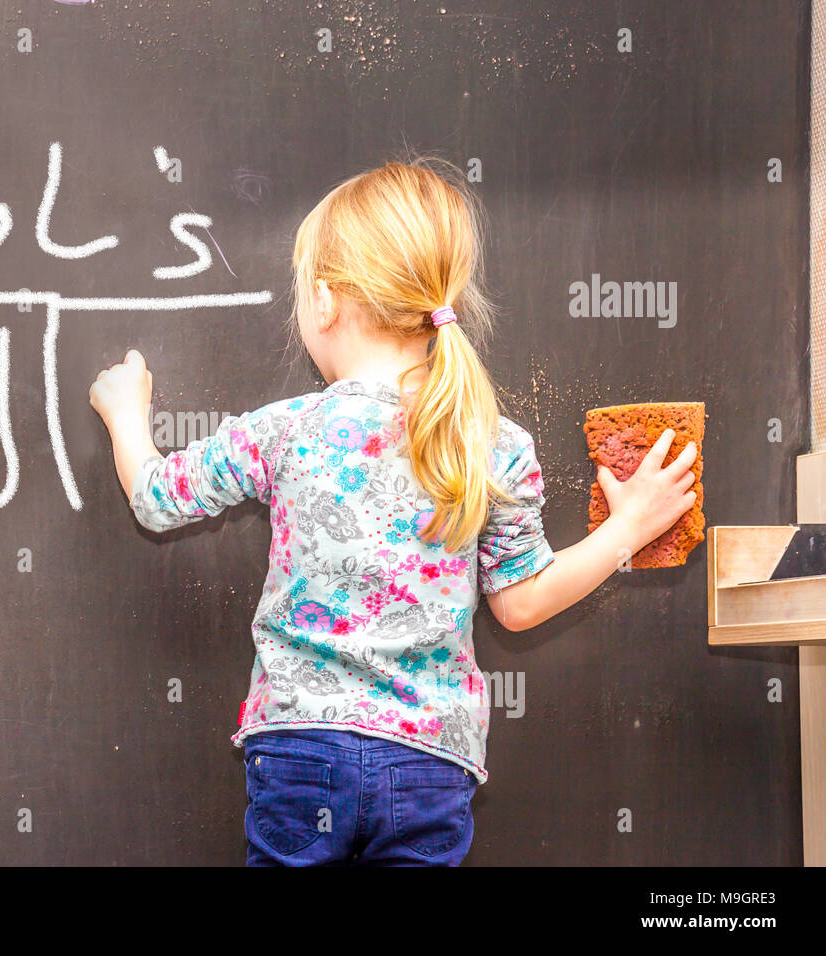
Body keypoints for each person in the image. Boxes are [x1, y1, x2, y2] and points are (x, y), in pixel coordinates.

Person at [88, 156, 697, 866]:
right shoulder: (492, 443)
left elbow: (158, 501)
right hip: (429, 763)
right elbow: (522, 603)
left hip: (300, 748)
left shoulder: (284, 430)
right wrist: (628, 528)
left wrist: (126, 415)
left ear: (323, 302)